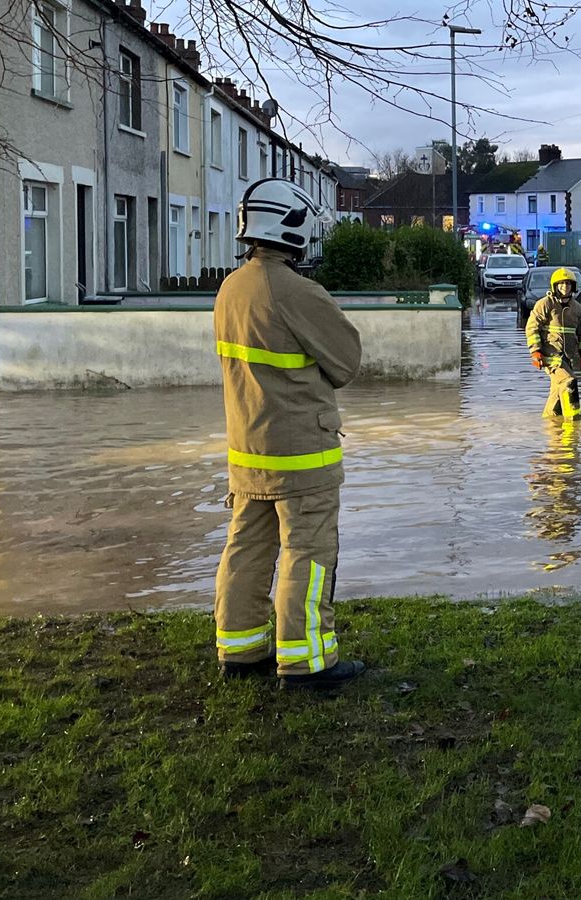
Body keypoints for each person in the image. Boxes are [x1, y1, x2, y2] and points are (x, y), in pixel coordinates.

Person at [212, 177, 365, 689]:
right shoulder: (296, 291)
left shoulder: (231, 288)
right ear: (292, 227)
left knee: (246, 549)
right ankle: (306, 663)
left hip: (247, 449)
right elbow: (346, 362)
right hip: (301, 453)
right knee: (307, 552)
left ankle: (240, 650)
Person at [525, 267, 581, 420]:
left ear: (573, 287)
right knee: (568, 383)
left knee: (557, 392)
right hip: (550, 356)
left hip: (568, 358)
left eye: (568, 284)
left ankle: (551, 425)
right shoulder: (545, 304)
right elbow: (531, 328)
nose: (565, 287)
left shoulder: (577, 308)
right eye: (561, 284)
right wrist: (535, 352)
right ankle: (573, 425)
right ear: (555, 286)